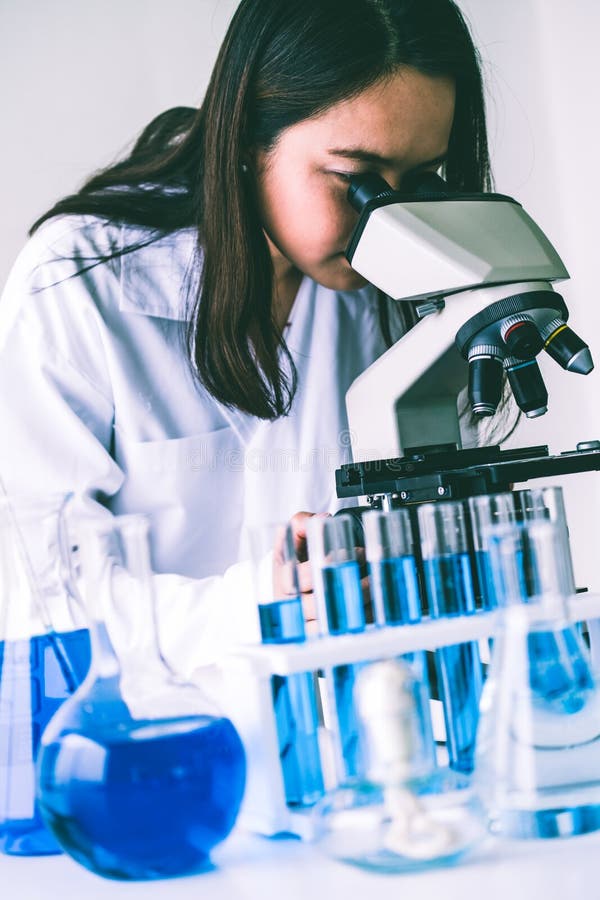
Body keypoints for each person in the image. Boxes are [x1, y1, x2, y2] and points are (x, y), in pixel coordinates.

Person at [0, 0, 492, 675]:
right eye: (356, 182)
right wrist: (267, 603)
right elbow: (47, 604)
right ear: (248, 139)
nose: (390, 223)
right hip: (156, 747)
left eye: (419, 182)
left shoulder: (387, 302)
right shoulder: (77, 287)